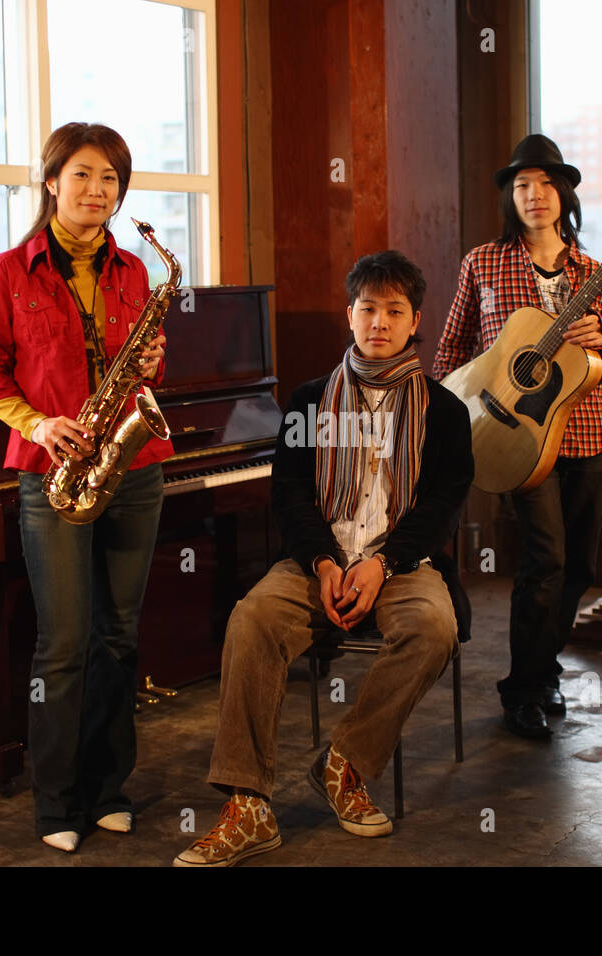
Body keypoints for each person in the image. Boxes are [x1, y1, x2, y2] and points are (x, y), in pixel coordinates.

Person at [173, 250, 473, 867]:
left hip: (402, 565)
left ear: (416, 320)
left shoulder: (445, 411)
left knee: (433, 628)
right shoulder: (310, 402)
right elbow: (288, 494)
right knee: (250, 620)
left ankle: (344, 763)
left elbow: (442, 506)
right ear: (350, 315)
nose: (380, 322)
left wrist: (382, 564)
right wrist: (325, 562)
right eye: (369, 309)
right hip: (318, 562)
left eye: (395, 310)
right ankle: (248, 806)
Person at [0, 122, 172, 852]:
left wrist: (149, 362)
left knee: (118, 637)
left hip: (133, 470)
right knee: (64, 643)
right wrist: (39, 423)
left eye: (111, 179)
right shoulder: (6, 271)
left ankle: (108, 787)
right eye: (83, 175)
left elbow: (143, 375)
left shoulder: (134, 272)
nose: (98, 191)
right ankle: (55, 802)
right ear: (51, 181)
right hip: (52, 472)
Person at [433, 134, 602, 740]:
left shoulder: (593, 272)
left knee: (579, 567)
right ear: (510, 197)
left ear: (563, 194)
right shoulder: (483, 263)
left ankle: (544, 672)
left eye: (545, 184)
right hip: (517, 435)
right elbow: (451, 349)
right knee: (545, 558)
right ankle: (520, 689)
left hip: (589, 432)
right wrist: (453, 415)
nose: (534, 195)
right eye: (522, 185)